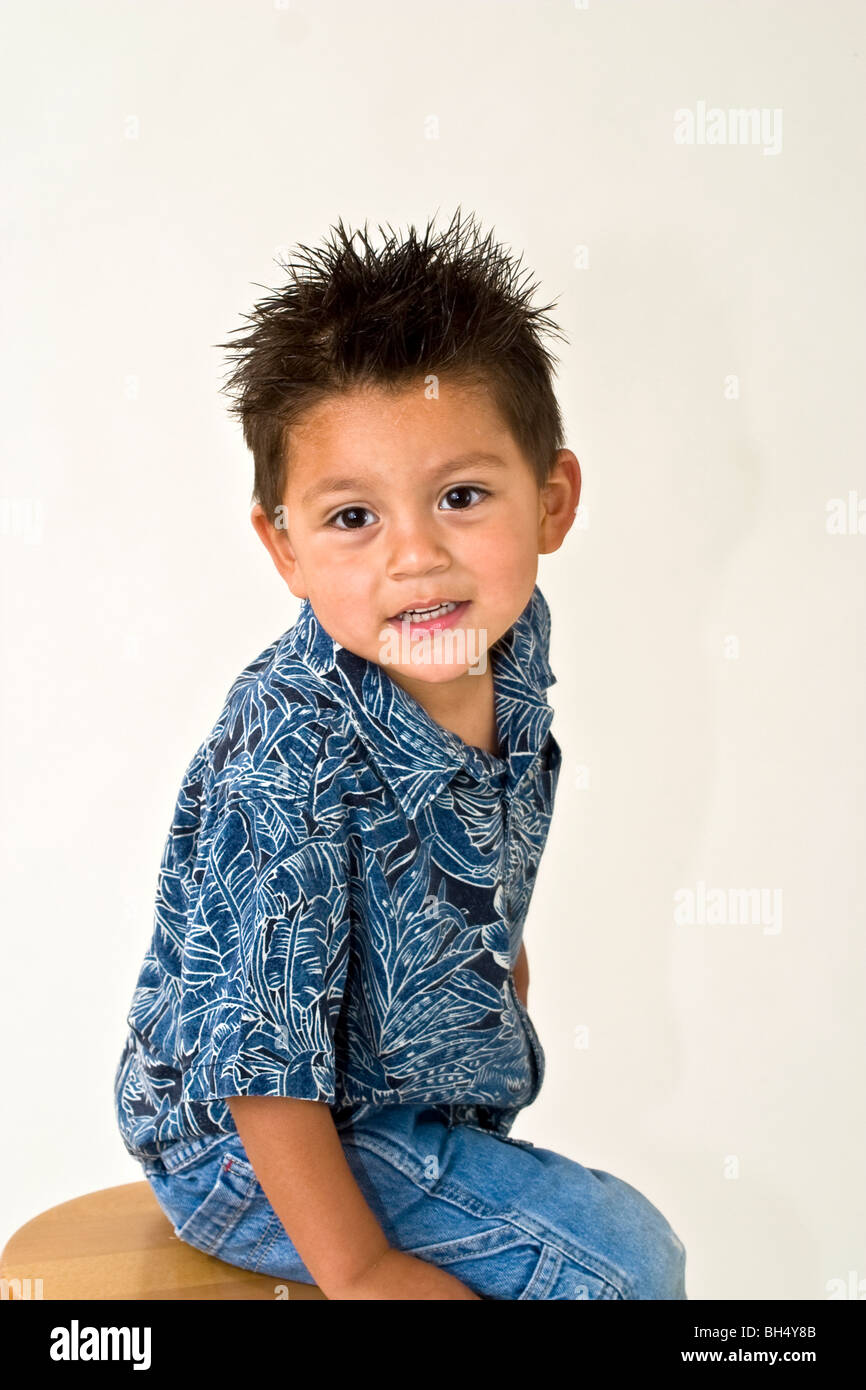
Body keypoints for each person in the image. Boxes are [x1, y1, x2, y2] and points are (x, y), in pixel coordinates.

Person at [114, 209, 687, 1300]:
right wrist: (364, 1266)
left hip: (398, 1087)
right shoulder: (285, 757)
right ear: (281, 544)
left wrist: (489, 959)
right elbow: (258, 1062)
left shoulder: (509, 649)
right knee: (621, 1259)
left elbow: (492, 807)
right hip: (249, 1138)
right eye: (351, 518)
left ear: (551, 500)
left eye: (460, 499)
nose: (417, 557)